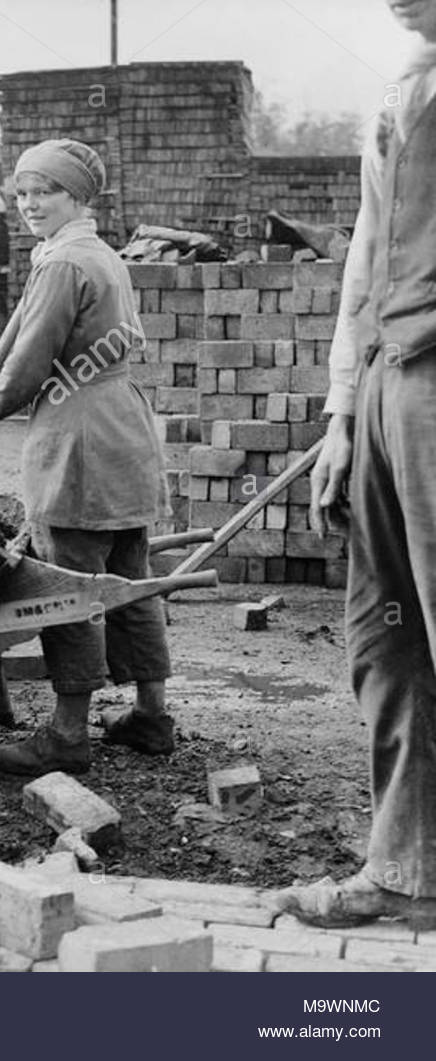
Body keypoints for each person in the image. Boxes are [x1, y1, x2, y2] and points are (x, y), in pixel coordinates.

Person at [0, 138, 172, 777]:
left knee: (64, 587)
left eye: (47, 193)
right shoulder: (96, 255)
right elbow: (26, 349)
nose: (31, 205)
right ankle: (152, 715)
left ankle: (67, 736)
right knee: (130, 578)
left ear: (78, 198)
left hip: (81, 438)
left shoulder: (63, 265)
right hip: (123, 428)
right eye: (23, 194)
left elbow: (25, 370)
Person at [273, 0, 436, 928]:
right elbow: (367, 256)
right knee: (389, 636)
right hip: (385, 383)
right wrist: (341, 414)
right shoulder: (401, 94)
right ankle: (408, 869)